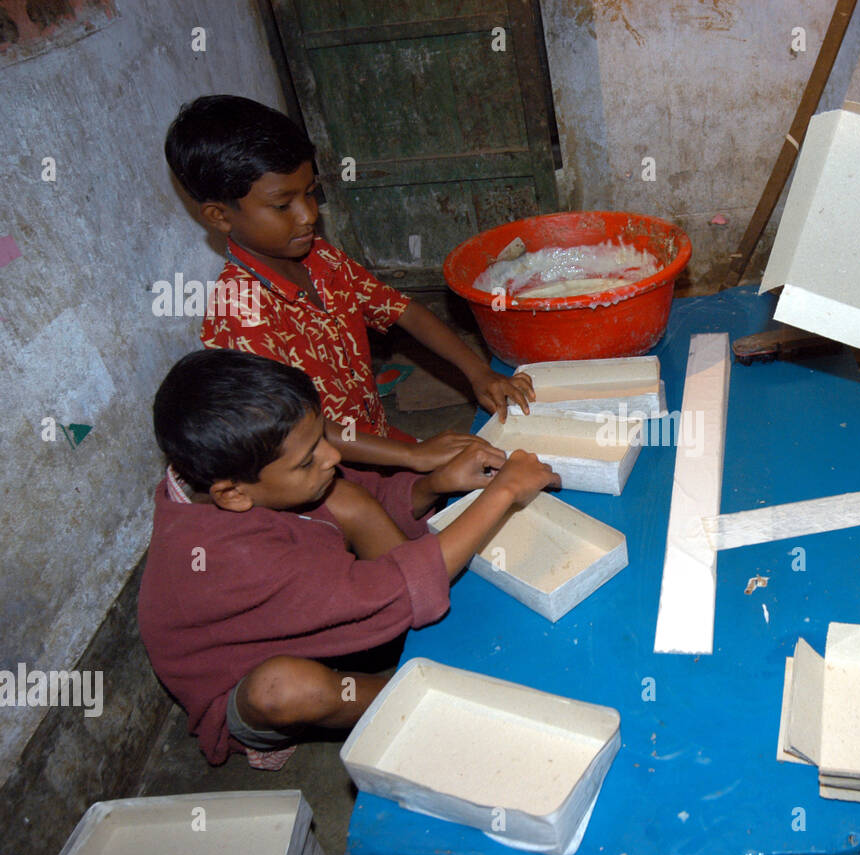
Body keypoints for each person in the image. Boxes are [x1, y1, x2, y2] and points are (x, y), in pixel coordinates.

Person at [138, 349, 556, 766]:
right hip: (243, 683)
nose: (333, 456)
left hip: (304, 605)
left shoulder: (241, 476)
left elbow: (365, 494)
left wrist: (432, 485)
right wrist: (502, 494)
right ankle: (438, 699)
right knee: (286, 689)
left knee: (344, 495)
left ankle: (421, 598)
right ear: (233, 494)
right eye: (307, 461)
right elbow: (376, 592)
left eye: (323, 437)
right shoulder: (233, 560)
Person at [164, 93, 532, 475]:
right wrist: (412, 458)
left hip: (379, 440)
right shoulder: (239, 316)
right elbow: (295, 432)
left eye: (310, 193)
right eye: (282, 205)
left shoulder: (320, 258)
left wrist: (478, 372)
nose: (308, 215)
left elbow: (403, 310)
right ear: (219, 217)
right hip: (323, 475)